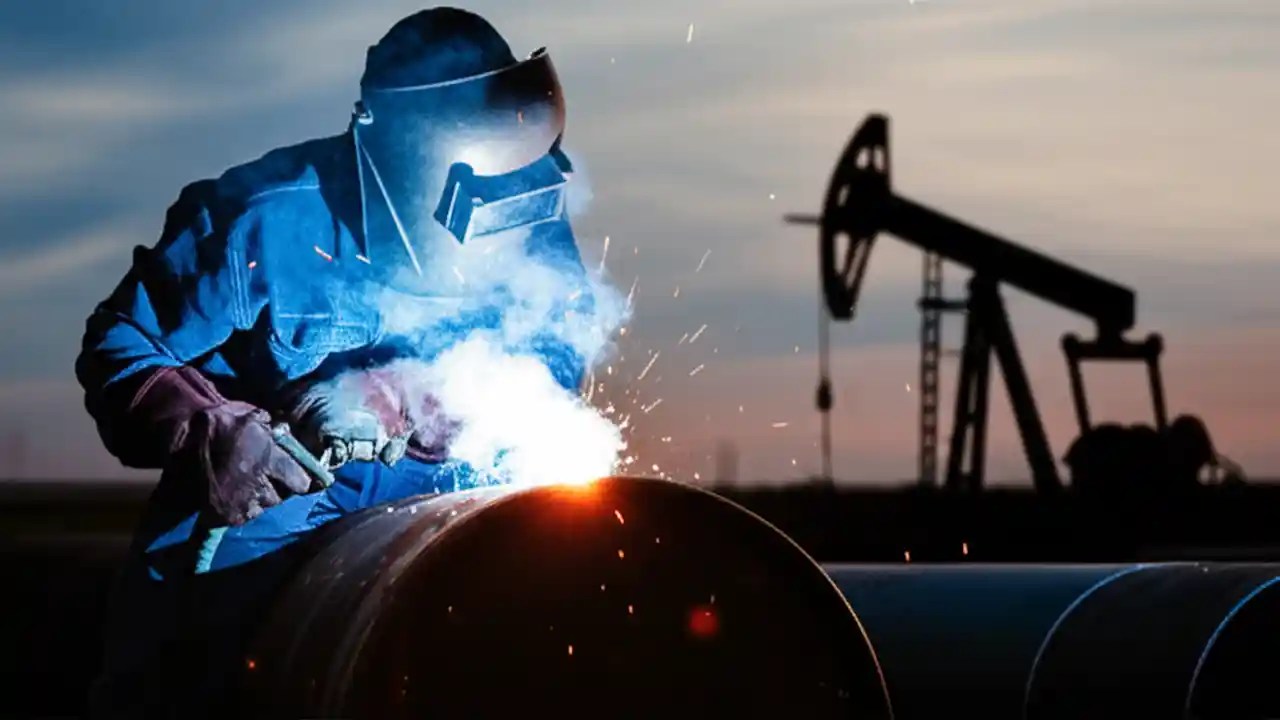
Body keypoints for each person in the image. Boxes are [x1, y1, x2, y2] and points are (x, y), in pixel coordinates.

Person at [75, 7, 592, 716]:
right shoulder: (263, 220)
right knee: (185, 670)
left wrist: (447, 396)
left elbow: (563, 344)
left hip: (457, 477)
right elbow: (121, 345)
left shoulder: (521, 198)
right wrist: (212, 432)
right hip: (289, 489)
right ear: (409, 154)